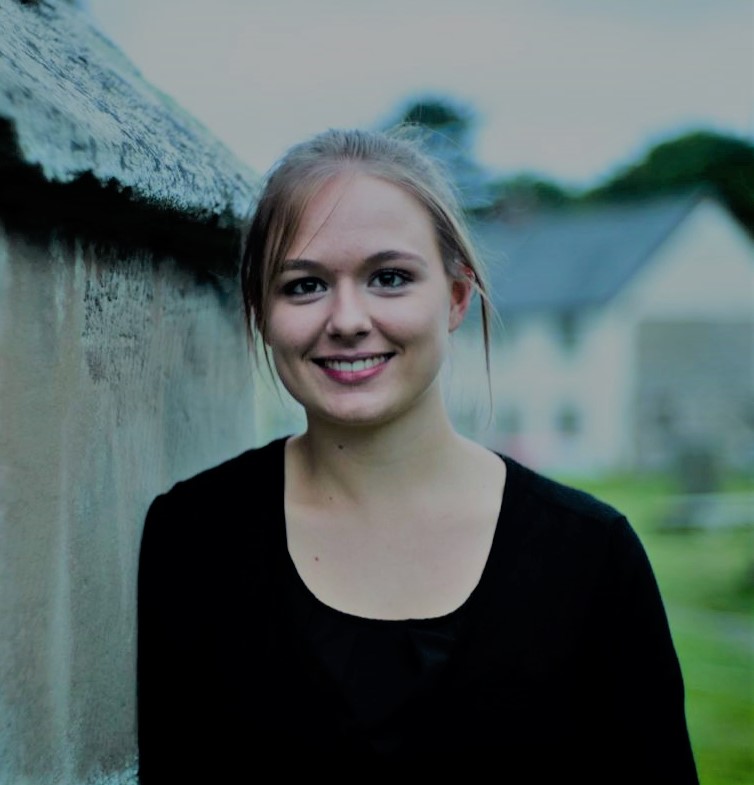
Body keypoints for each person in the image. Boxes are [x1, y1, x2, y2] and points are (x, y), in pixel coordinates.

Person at [137, 128, 699, 782]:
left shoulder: (592, 555)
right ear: (260, 311)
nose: (348, 319)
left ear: (457, 297)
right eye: (304, 285)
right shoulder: (195, 536)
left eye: (390, 278)